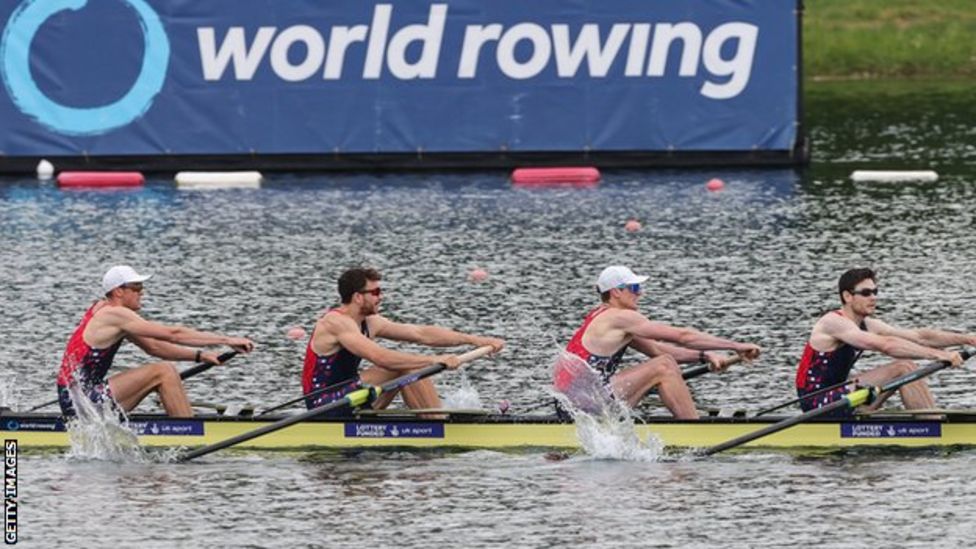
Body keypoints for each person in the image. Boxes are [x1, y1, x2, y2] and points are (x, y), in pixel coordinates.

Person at [556, 265, 761, 419]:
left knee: (664, 361)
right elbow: (683, 337)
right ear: (616, 291)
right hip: (584, 403)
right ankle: (696, 433)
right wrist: (736, 346)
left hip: (574, 403)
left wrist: (705, 355)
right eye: (634, 288)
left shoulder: (603, 317)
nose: (640, 293)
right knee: (664, 366)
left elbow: (657, 348)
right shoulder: (619, 317)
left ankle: (690, 426)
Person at [57, 265, 255, 418]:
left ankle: (184, 424)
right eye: (136, 287)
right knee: (164, 371)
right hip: (82, 402)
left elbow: (154, 347)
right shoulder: (114, 315)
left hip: (78, 397)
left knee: (163, 371)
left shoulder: (103, 309)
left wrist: (201, 356)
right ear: (118, 292)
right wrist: (227, 340)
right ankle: (190, 432)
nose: (141, 292)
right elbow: (173, 334)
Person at [302, 267, 504, 415]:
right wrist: (433, 361)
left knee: (405, 368)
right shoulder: (335, 323)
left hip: (351, 396)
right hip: (323, 404)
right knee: (403, 368)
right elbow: (381, 357)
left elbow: (422, 334)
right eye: (375, 293)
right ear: (357, 297)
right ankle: (437, 423)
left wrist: (475, 340)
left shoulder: (371, 323)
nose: (380, 297)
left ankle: (432, 420)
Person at [795, 267, 969, 416]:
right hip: (817, 404)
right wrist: (940, 355)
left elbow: (920, 337)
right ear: (847, 296)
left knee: (902, 367)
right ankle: (933, 426)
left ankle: (931, 419)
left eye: (874, 292)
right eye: (865, 293)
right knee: (903, 368)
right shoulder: (832, 322)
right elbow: (886, 345)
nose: (873, 297)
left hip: (841, 394)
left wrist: (968, 339)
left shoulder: (868, 324)